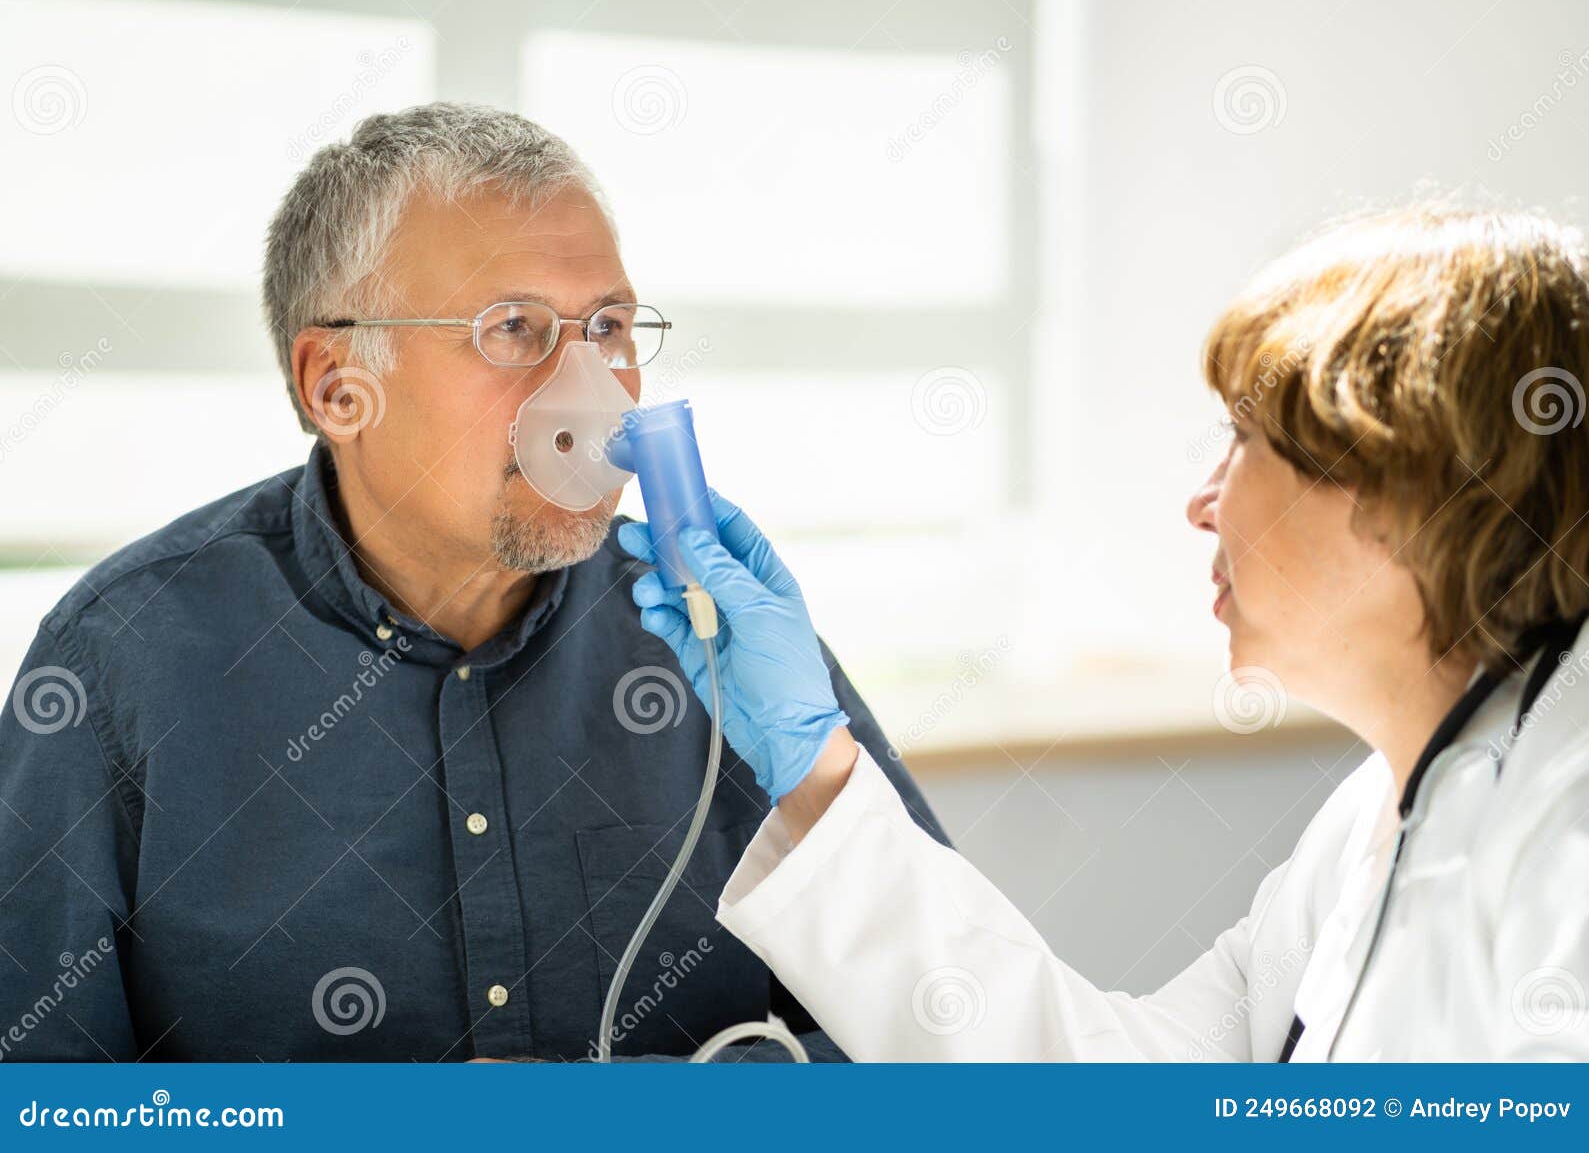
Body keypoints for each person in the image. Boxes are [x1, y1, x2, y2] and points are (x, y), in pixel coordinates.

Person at [0, 104, 943, 1062]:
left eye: (608, 326)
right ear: (336, 385)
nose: (590, 390)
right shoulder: (124, 662)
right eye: (513, 329)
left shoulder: (718, 636)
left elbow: (948, 1027)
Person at [622, 205, 1589, 1060]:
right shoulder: (1373, 813)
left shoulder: (1575, 807)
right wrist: (815, 769)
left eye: (1244, 441)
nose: (1202, 501)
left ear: (1406, 485)